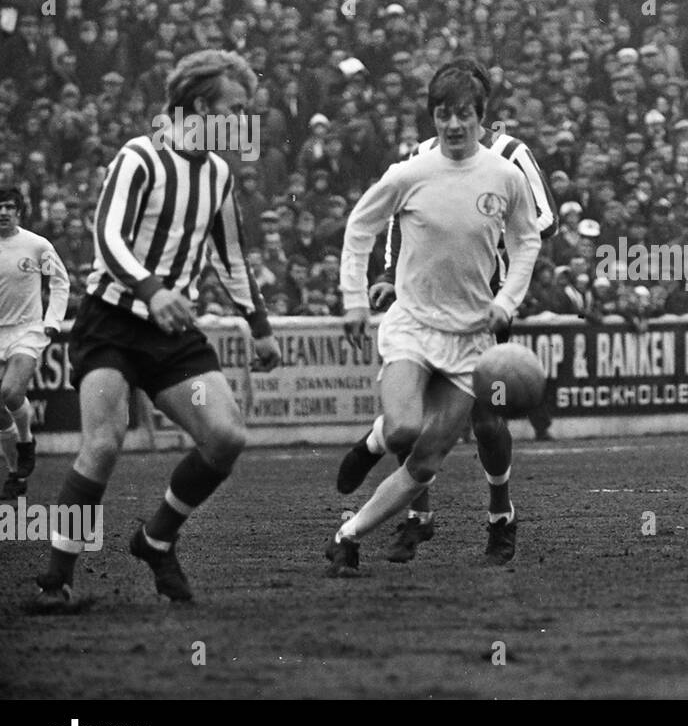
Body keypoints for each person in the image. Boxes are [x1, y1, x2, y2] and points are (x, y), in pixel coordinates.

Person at [31, 50, 281, 613]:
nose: (244, 122)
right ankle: (55, 580)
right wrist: (151, 289)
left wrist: (259, 325)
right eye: (236, 110)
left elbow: (231, 256)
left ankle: (155, 538)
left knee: (226, 437)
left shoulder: (217, 173)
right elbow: (109, 236)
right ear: (200, 106)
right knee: (104, 439)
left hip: (171, 332)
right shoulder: (140, 156)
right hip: (114, 322)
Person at [334, 59, 559, 564]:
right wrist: (390, 274)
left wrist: (504, 294)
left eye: (467, 110)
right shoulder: (416, 161)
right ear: (434, 113)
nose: (455, 123)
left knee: (485, 424)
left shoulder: (512, 160)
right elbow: (396, 218)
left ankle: (500, 514)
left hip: (486, 309)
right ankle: (416, 514)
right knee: (408, 423)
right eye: (444, 112)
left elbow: (540, 229)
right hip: (422, 306)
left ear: (484, 109)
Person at [0, 188, 69, 499]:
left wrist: (52, 321)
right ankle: (15, 472)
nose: (3, 212)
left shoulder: (37, 245)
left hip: (27, 330)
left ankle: (26, 440)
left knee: (10, 392)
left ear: (20, 211)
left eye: (9, 207)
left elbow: (59, 282)